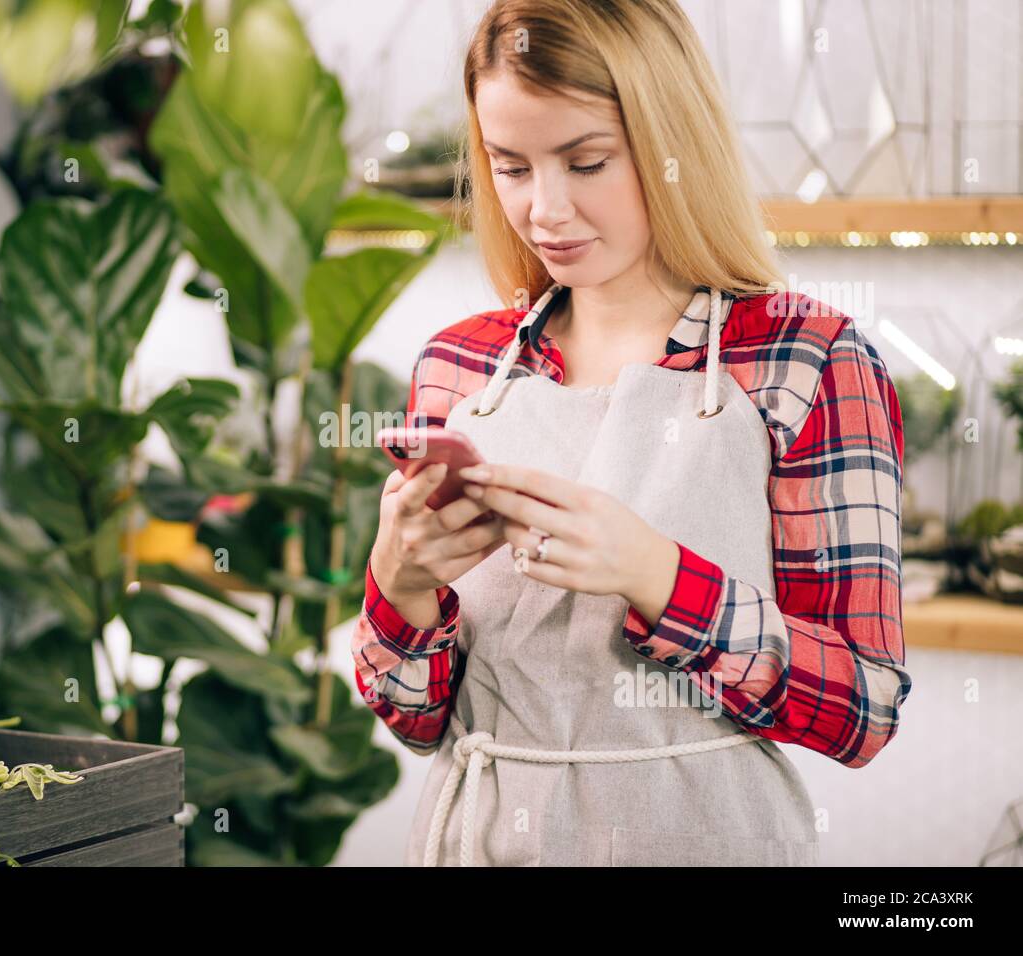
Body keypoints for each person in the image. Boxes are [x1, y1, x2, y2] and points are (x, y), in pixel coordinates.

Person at [351, 0, 911, 867]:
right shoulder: (458, 368)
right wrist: (400, 579)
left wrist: (659, 577)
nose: (545, 209)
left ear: (671, 140)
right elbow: (419, 722)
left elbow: (864, 710)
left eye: (587, 162)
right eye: (511, 167)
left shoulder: (807, 360)